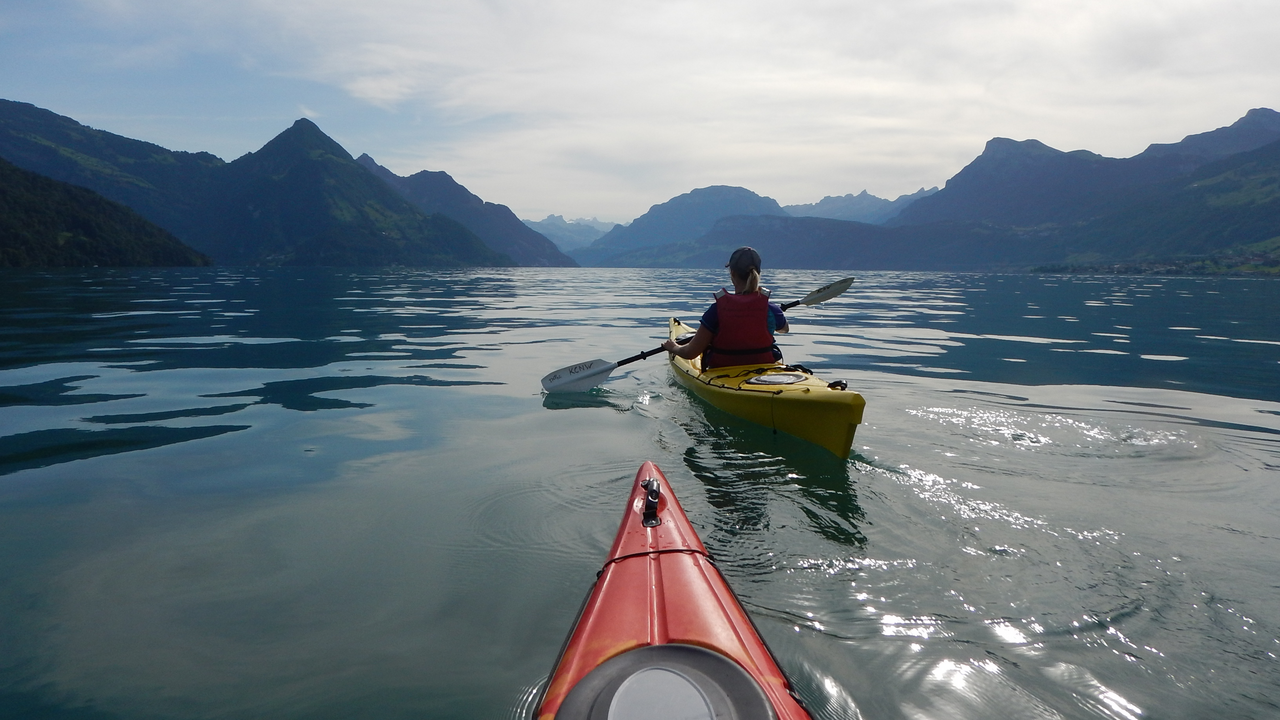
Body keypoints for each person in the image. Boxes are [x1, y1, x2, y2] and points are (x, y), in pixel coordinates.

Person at [662, 246, 788, 369]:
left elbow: (690, 353)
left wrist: (673, 347)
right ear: (758, 273)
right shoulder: (771, 309)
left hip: (722, 372)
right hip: (764, 369)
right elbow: (784, 329)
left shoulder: (717, 310)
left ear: (732, 273)